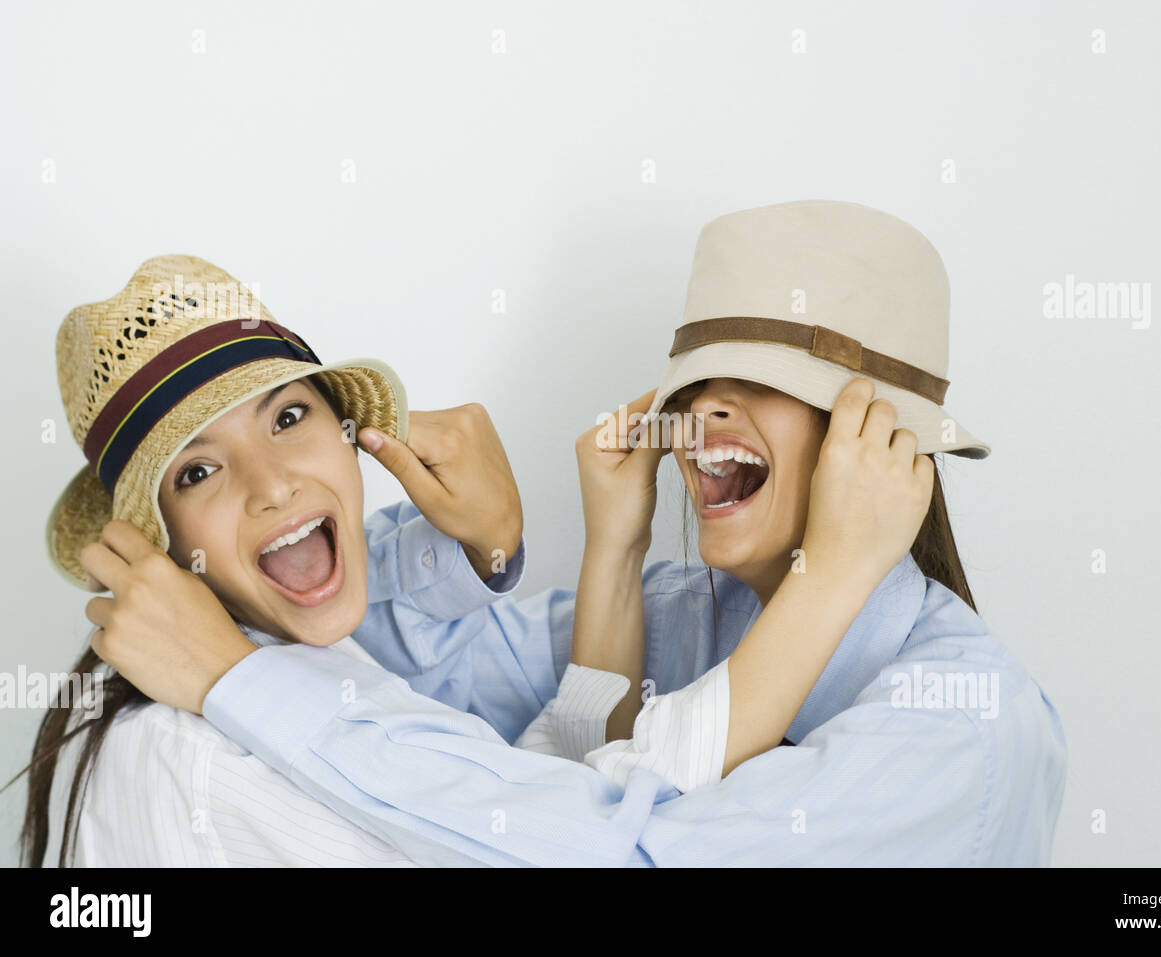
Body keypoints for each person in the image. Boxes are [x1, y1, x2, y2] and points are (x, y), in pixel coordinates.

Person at [89, 202, 1068, 866]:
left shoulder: (967, 730)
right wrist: (591, 550)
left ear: (884, 440)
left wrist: (837, 575)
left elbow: (625, 850)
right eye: (699, 382)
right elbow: (496, 737)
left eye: (767, 384)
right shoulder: (686, 616)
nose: (709, 412)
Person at [14, 254, 535, 865]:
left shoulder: (320, 648)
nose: (273, 487)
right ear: (157, 543)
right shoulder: (194, 762)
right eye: (198, 471)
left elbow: (491, 721)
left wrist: (495, 545)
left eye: (287, 417)